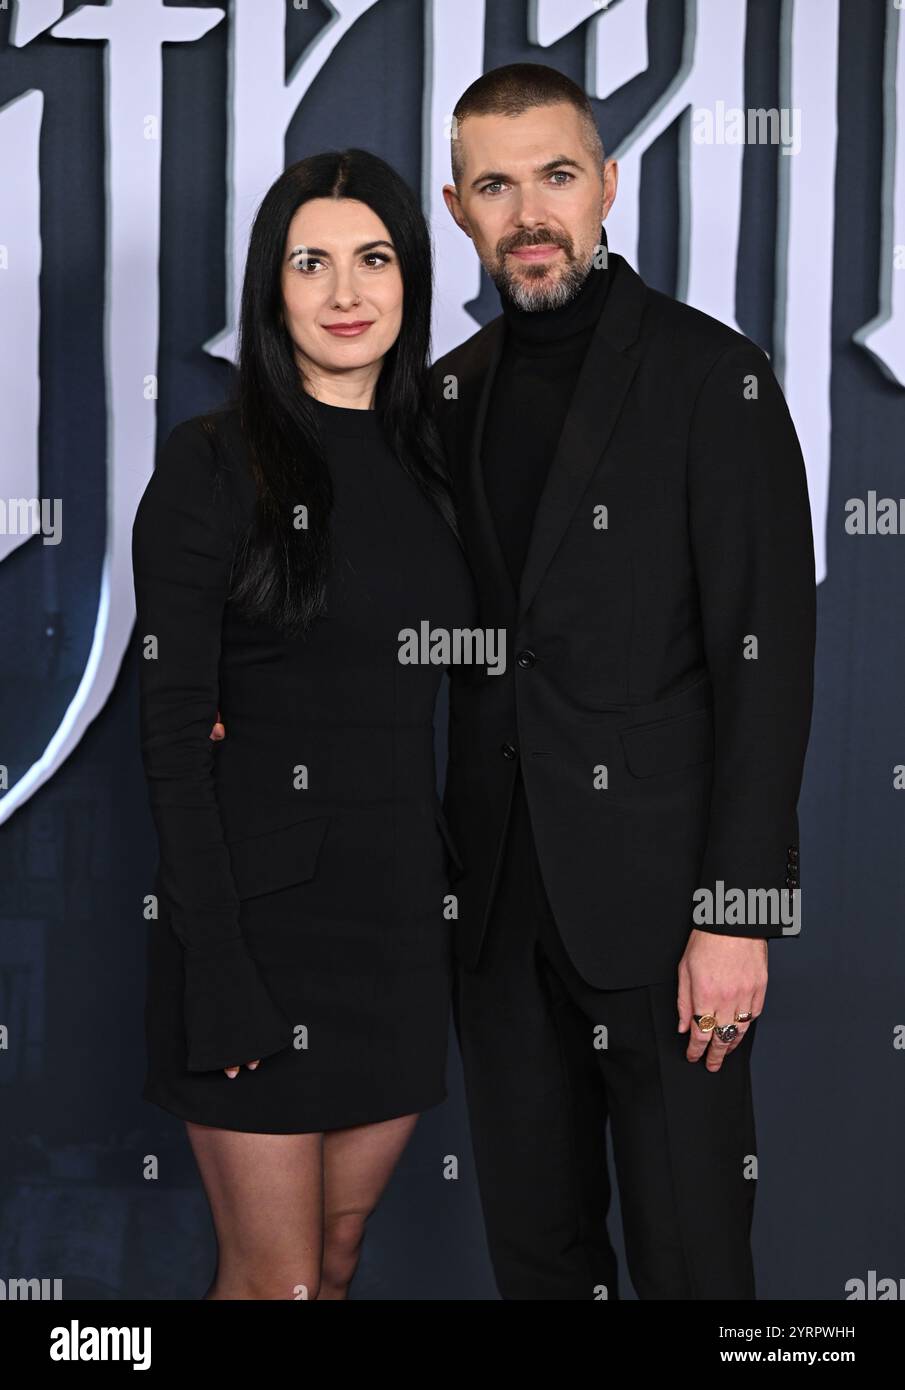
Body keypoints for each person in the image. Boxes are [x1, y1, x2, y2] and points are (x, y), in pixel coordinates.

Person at [430, 64, 816, 1299]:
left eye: (554, 175)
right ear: (457, 210)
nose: (528, 211)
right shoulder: (444, 395)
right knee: (536, 1260)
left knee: (693, 1260)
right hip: (493, 905)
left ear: (607, 184)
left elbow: (768, 653)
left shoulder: (715, 376)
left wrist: (737, 908)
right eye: (496, 185)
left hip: (665, 917)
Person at [131, 149, 474, 1300]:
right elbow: (173, 732)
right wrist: (217, 968)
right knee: (272, 1279)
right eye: (310, 262)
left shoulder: (439, 460)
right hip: (254, 930)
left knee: (332, 1263)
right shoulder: (209, 463)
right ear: (270, 291)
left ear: (410, 277)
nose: (344, 292)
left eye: (372, 259)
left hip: (394, 925)